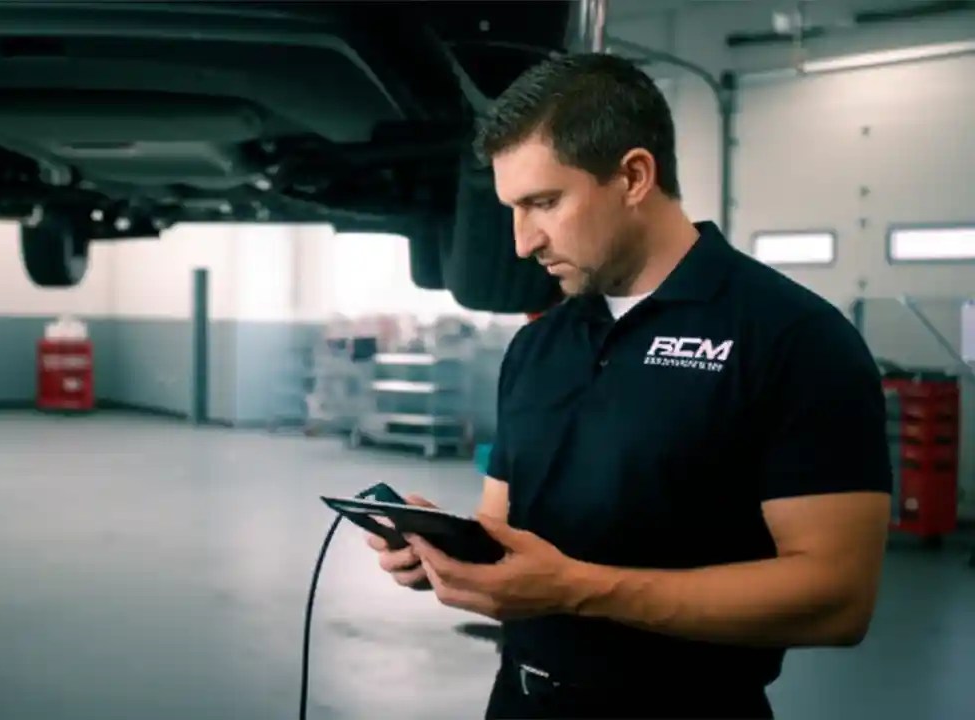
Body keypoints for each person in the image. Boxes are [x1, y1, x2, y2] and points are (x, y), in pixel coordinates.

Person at [366, 53, 892, 719]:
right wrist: (449, 556)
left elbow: (838, 597)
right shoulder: (538, 346)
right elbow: (504, 528)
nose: (523, 242)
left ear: (634, 176)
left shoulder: (794, 338)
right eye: (511, 209)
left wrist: (578, 589)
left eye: (544, 203)